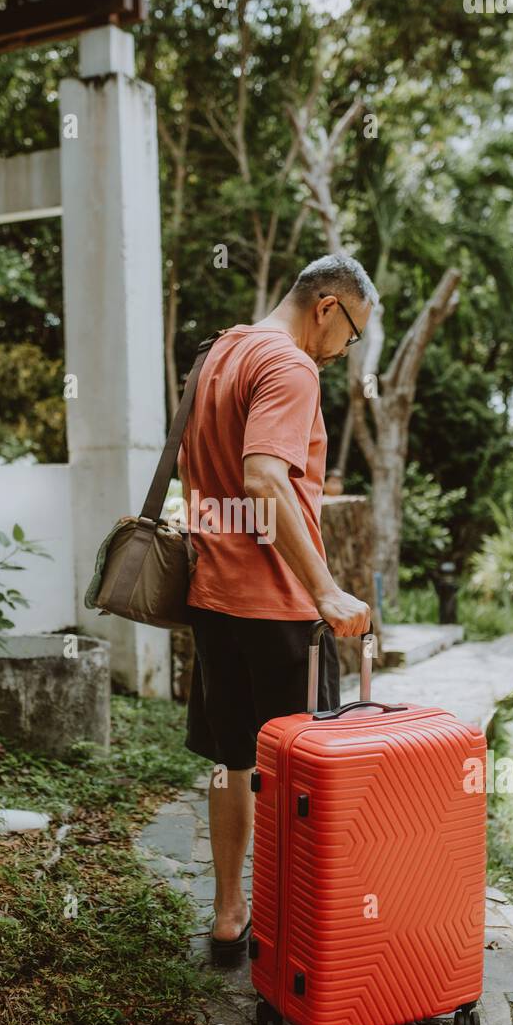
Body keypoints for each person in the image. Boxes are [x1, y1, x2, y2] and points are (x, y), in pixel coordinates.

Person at [177, 253, 376, 963]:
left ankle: (230, 916)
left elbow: (200, 470)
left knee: (233, 762)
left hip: (214, 597)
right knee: (300, 772)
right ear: (327, 306)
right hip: (281, 611)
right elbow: (264, 476)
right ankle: (298, 929)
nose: (346, 349)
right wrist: (324, 588)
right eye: (351, 332)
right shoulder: (291, 367)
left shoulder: (219, 353)